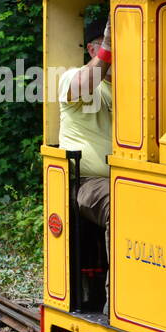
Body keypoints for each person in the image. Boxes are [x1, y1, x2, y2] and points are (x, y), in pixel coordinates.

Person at [58, 12, 113, 230]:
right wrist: (108, 49)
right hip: (88, 182)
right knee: (122, 204)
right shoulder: (70, 78)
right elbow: (83, 82)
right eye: (108, 46)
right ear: (92, 50)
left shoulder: (137, 87)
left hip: (133, 179)